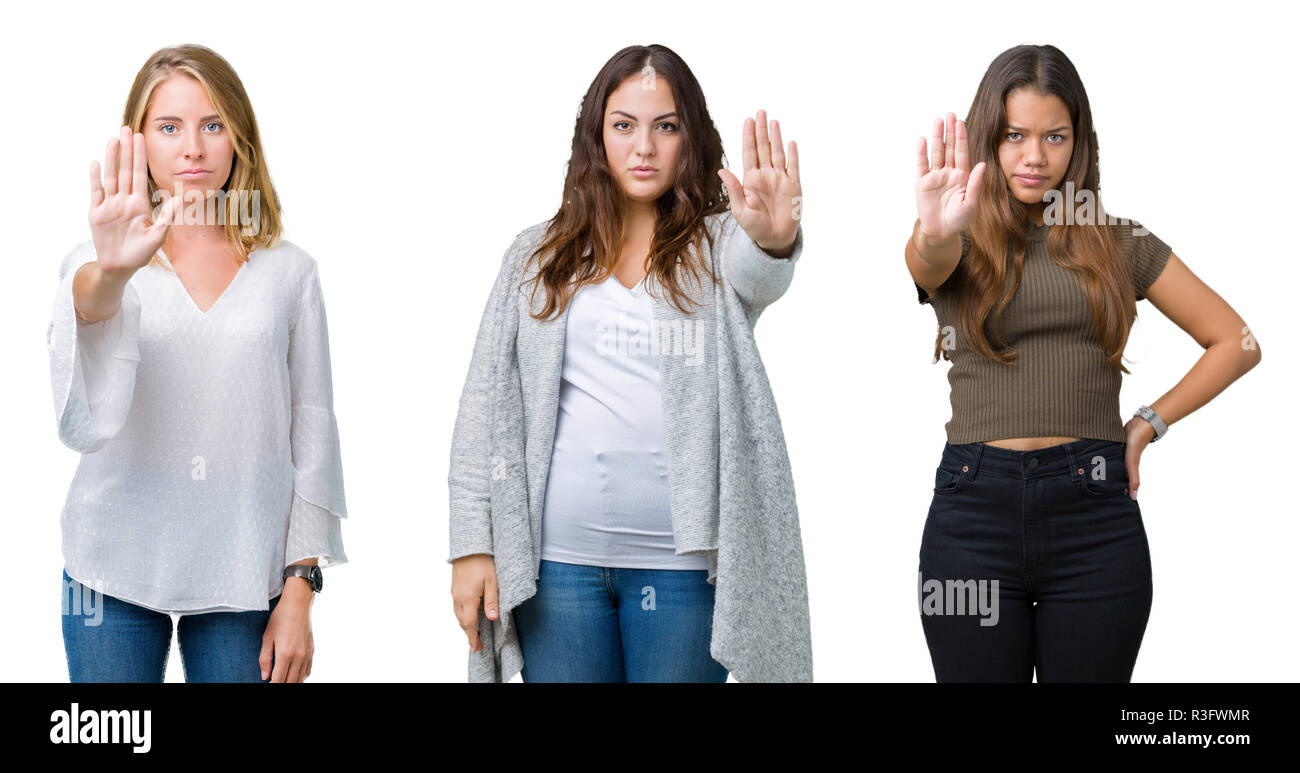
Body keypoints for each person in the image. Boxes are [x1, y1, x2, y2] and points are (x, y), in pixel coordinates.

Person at [448, 43, 812, 682]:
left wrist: (775, 236)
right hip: (558, 571)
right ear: (597, 136)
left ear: (689, 138)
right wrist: (472, 546)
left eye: (665, 126)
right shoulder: (536, 256)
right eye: (624, 125)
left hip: (682, 576)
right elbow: (484, 403)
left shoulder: (720, 242)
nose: (644, 147)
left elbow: (762, 275)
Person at [906, 44, 1261, 682]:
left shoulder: (1117, 242)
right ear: (990, 136)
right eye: (1014, 135)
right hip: (974, 515)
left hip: (1093, 519)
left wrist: (1147, 423)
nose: (1034, 156)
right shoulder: (953, 237)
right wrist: (934, 228)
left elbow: (1236, 342)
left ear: (1079, 144)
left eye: (1054, 136)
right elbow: (924, 264)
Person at [49, 44, 348, 683]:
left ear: (239, 137)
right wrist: (111, 272)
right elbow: (89, 319)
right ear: (138, 142)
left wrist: (301, 586)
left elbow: (313, 430)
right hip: (112, 565)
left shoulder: (289, 273)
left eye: (213, 125)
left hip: (246, 568)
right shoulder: (99, 259)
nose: (193, 148)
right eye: (170, 127)